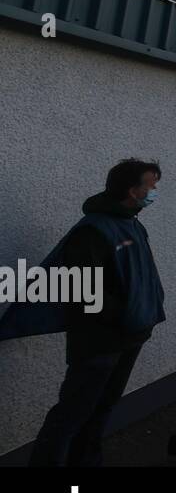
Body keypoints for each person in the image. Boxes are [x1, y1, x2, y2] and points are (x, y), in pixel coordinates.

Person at [0, 159, 166, 466]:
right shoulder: (92, 232)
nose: (155, 192)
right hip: (100, 343)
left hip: (130, 337)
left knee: (101, 409)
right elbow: (84, 293)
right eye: (151, 186)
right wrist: (126, 316)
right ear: (132, 190)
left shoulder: (132, 224)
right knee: (72, 414)